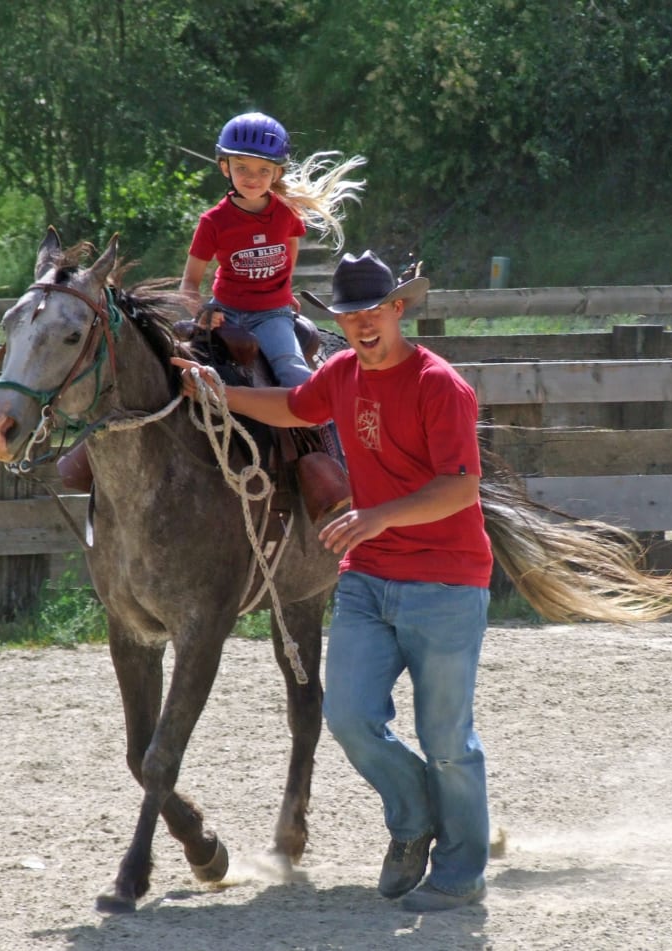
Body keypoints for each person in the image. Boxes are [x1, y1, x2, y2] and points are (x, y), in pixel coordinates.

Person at [173, 251, 494, 913]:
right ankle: (414, 821)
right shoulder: (341, 374)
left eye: (372, 310)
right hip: (369, 578)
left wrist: (375, 517)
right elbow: (292, 405)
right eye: (349, 315)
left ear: (399, 308)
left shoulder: (441, 386)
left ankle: (460, 872)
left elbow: (462, 485)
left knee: (447, 742)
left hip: (446, 581)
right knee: (348, 716)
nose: (361, 324)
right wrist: (218, 390)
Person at [181, 113, 365, 519]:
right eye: (242, 167)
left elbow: (289, 256)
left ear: (277, 173)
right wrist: (202, 313)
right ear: (224, 167)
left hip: (270, 315)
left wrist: (284, 297)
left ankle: (335, 460)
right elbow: (189, 285)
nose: (252, 177)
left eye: (263, 170)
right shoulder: (212, 222)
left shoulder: (284, 214)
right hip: (225, 314)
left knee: (297, 376)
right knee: (169, 371)